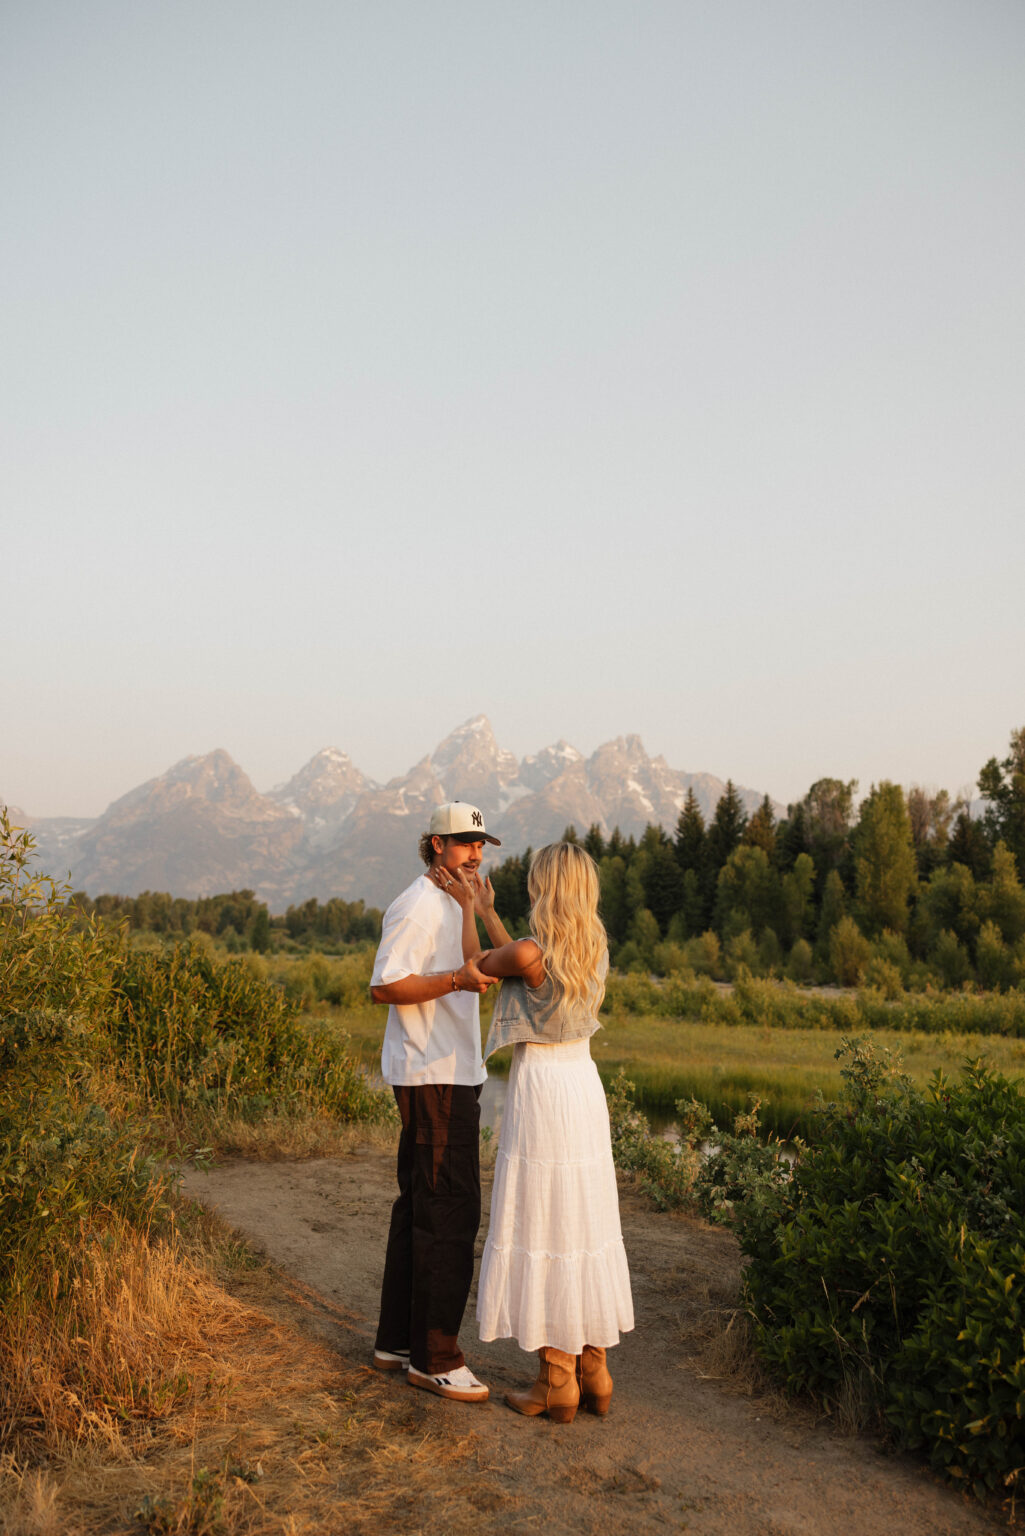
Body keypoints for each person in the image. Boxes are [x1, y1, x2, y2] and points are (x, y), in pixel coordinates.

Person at [469, 841, 634, 1422]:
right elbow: (523, 955)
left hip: (542, 1093)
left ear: (547, 891)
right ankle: (594, 1369)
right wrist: (492, 915)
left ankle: (556, 1380)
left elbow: (492, 965)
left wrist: (474, 911)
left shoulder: (533, 952)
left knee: (548, 1220)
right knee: (583, 1220)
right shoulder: (595, 949)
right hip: (583, 1089)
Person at [368, 801, 500, 1404]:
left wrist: (476, 909)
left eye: (481, 844)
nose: (475, 853)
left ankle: (397, 1343)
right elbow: (384, 985)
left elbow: (473, 964)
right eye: (463, 843)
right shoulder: (417, 905)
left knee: (420, 1205)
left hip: (446, 1071)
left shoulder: (453, 903)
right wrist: (454, 981)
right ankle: (436, 1359)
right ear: (435, 845)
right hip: (433, 1074)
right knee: (448, 1210)